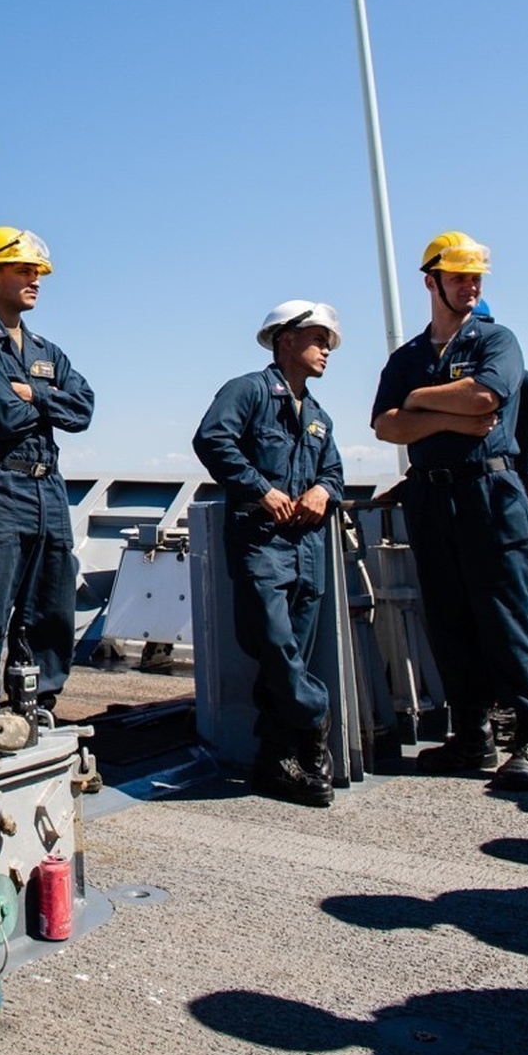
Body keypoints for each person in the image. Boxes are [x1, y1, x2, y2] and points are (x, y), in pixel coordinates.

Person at [371, 231, 528, 789]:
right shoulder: (407, 357)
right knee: (449, 618)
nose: (471, 286)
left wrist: (419, 401)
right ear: (432, 281)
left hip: (490, 495)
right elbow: (387, 424)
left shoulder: (498, 340)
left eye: (476, 278)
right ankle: (472, 737)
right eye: (460, 276)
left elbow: (486, 398)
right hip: (433, 496)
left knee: (507, 615)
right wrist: (446, 412)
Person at [193, 301, 345, 807]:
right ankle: (316, 717)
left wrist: (324, 490)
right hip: (262, 543)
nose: (327, 348)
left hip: (308, 550)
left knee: (291, 656)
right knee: (276, 646)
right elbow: (212, 438)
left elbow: (334, 471)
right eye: (318, 337)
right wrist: (260, 489)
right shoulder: (250, 391)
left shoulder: (319, 417)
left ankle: (278, 762)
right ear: (285, 339)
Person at [0, 228, 94, 709]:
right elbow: (3, 417)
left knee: (51, 608)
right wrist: (49, 403)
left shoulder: (47, 350)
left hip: (48, 490)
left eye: (37, 272)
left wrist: (34, 393)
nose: (36, 281)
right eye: (24, 270)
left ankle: (38, 703)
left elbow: (84, 410)